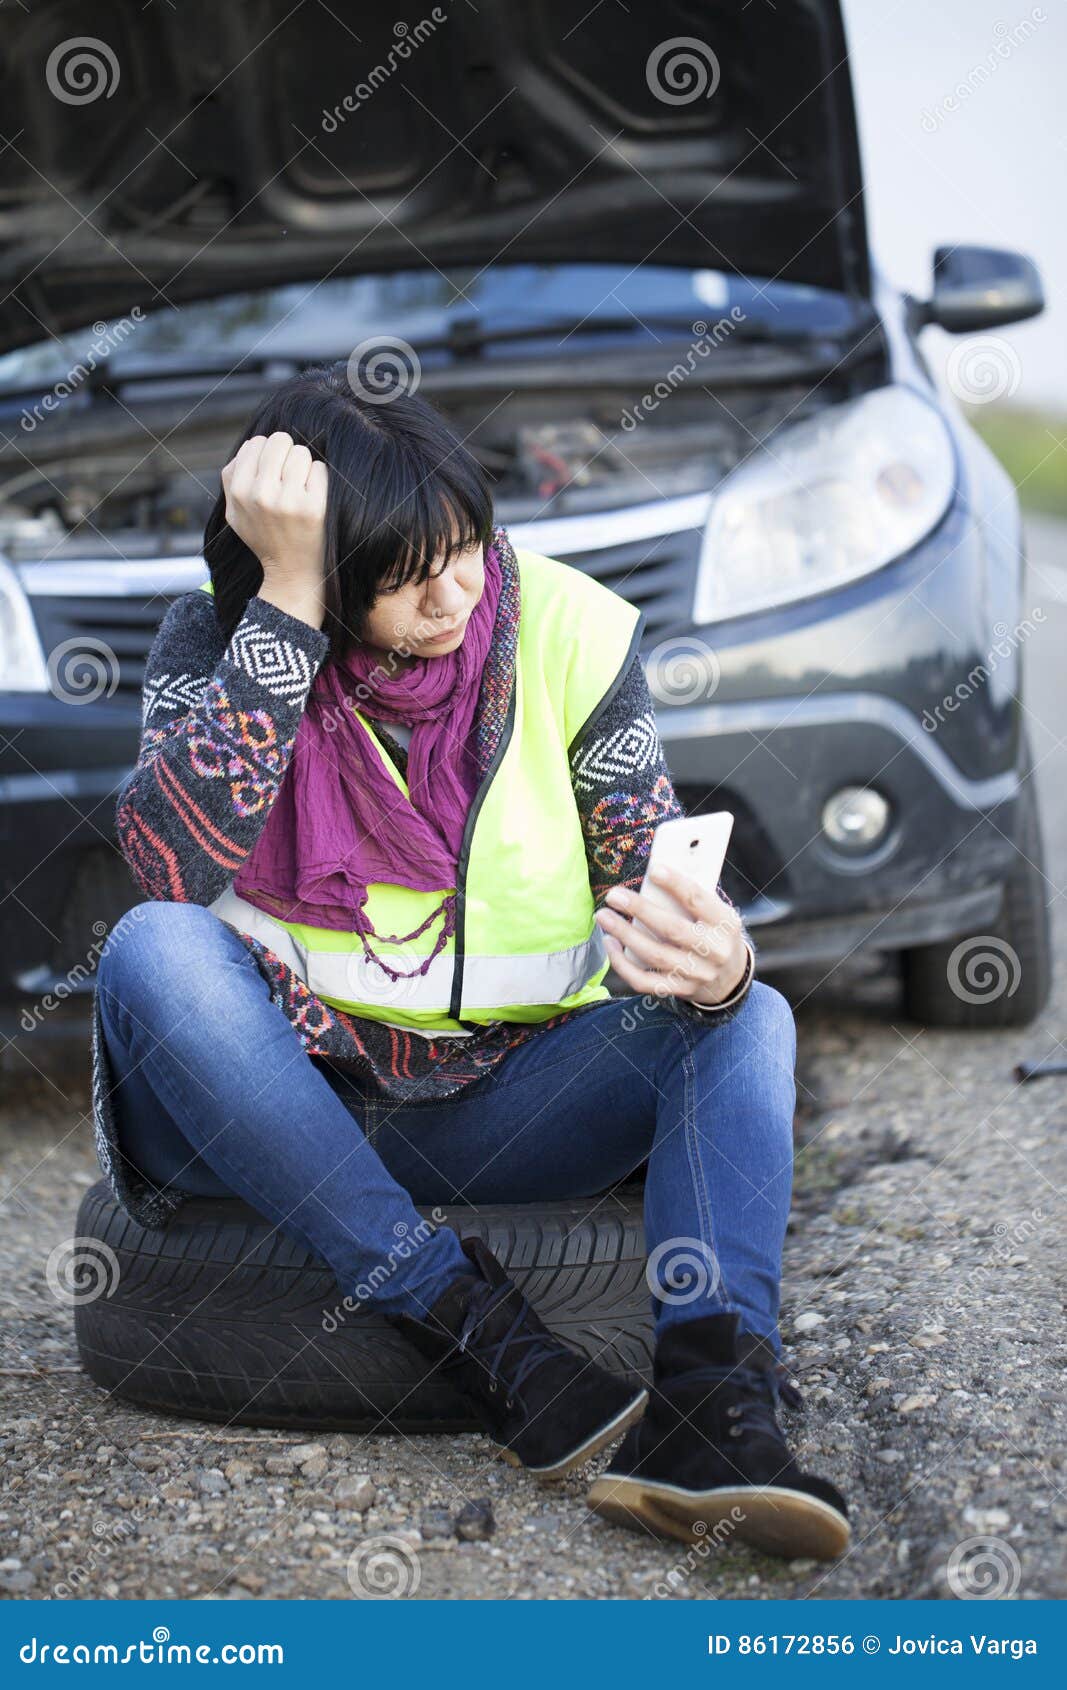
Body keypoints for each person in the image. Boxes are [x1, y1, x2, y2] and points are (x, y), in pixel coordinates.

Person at [92, 361, 849, 1560]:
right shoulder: (222, 635)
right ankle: (478, 1330)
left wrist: (707, 958)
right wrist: (286, 605)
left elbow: (641, 873)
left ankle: (710, 1412)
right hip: (260, 1108)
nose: (452, 594)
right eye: (397, 579)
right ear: (327, 585)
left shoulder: (566, 632)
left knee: (746, 1012)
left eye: (463, 547)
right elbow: (170, 867)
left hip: (493, 1102)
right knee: (154, 949)